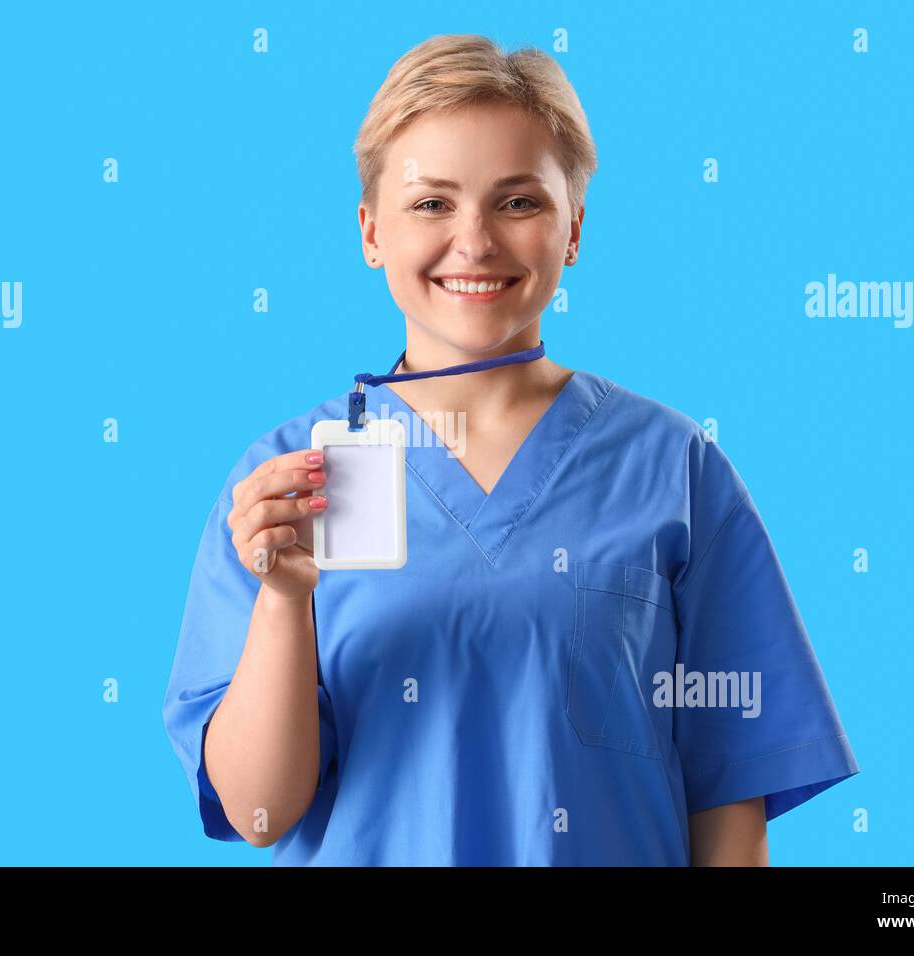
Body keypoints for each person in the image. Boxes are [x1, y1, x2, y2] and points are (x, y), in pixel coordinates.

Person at [162, 33, 859, 866]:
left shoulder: (674, 469)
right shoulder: (280, 488)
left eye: (519, 201)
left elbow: (729, 798)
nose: (476, 241)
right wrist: (282, 598)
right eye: (432, 204)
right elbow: (262, 814)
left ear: (573, 231)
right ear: (371, 231)